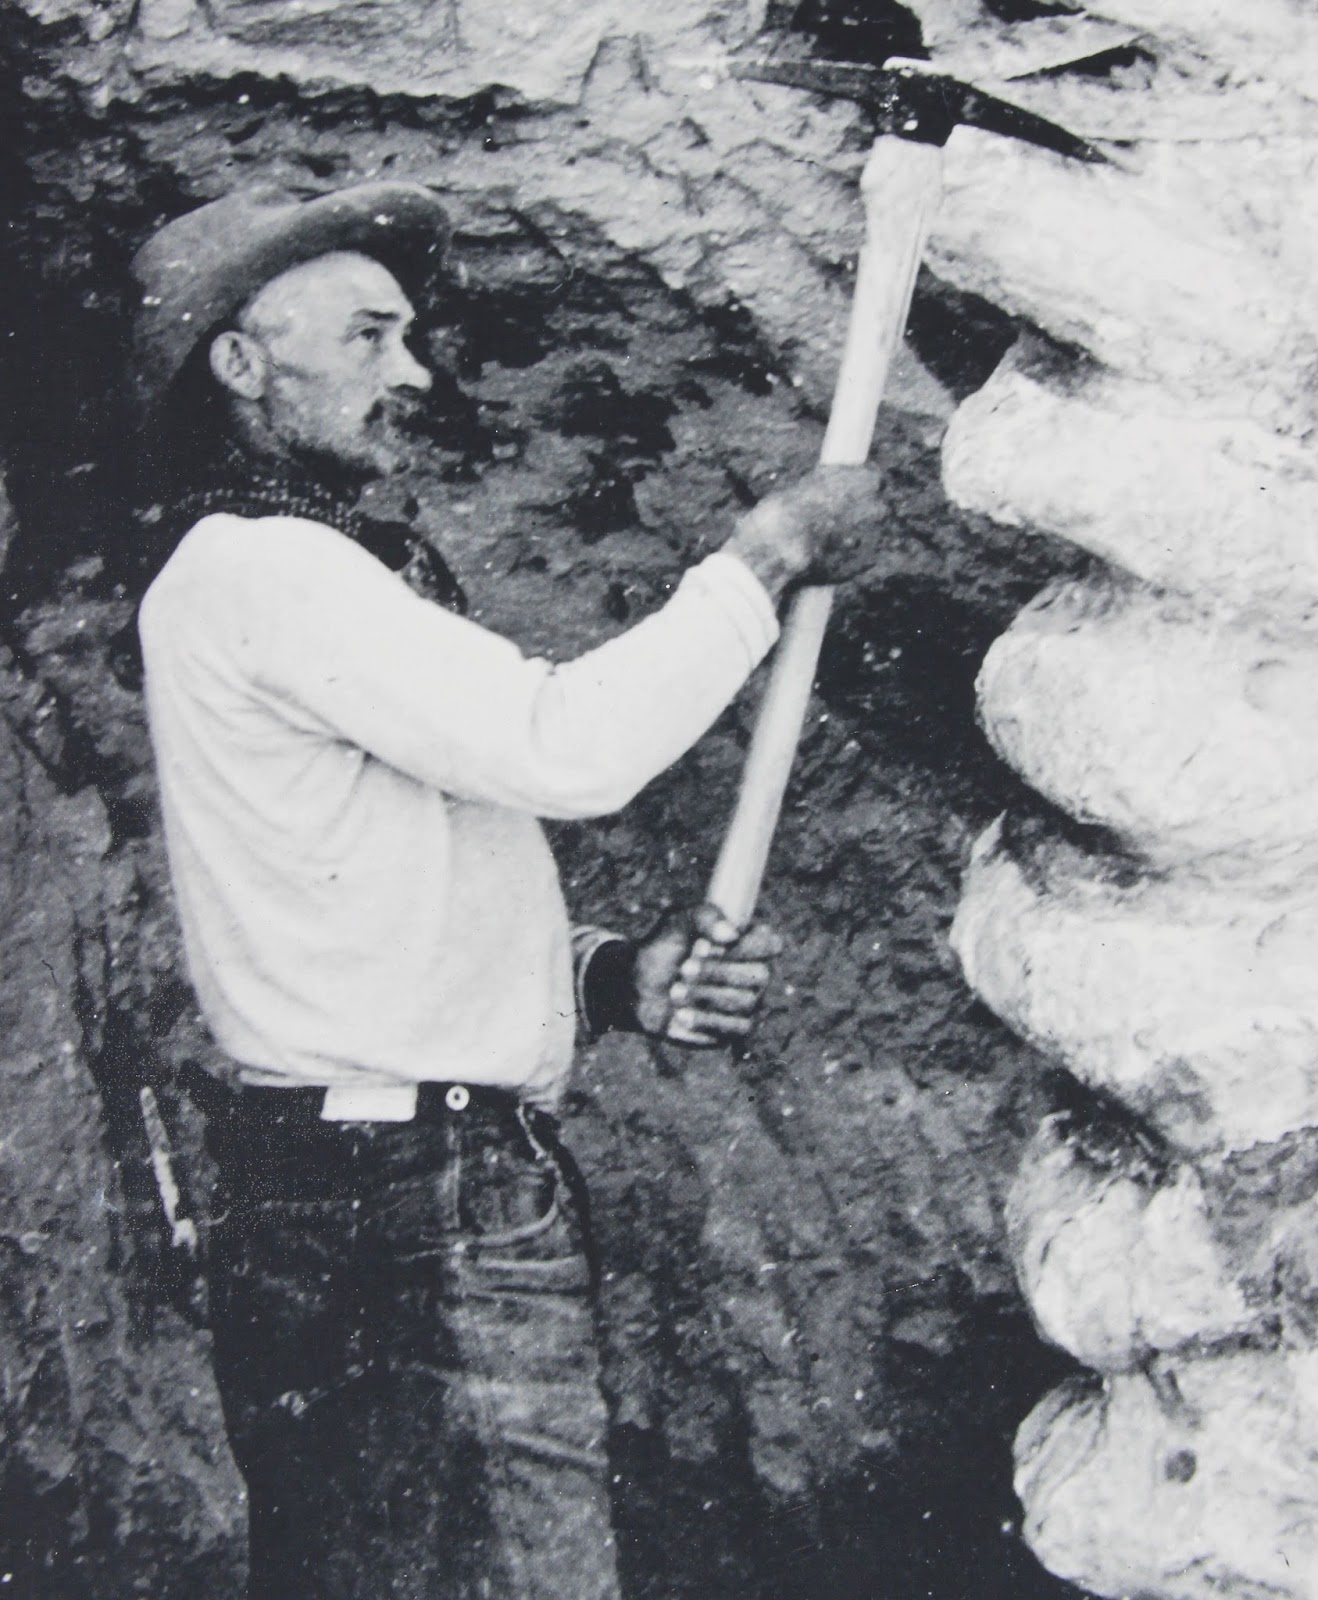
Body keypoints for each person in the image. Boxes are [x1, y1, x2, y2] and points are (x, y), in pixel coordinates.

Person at [129, 182, 882, 1600]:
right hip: (407, 1198)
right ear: (240, 362)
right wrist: (766, 558)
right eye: (368, 337)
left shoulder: (276, 578)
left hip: (363, 1177)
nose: (410, 374)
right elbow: (565, 750)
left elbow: (379, 886)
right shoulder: (267, 570)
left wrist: (608, 978)